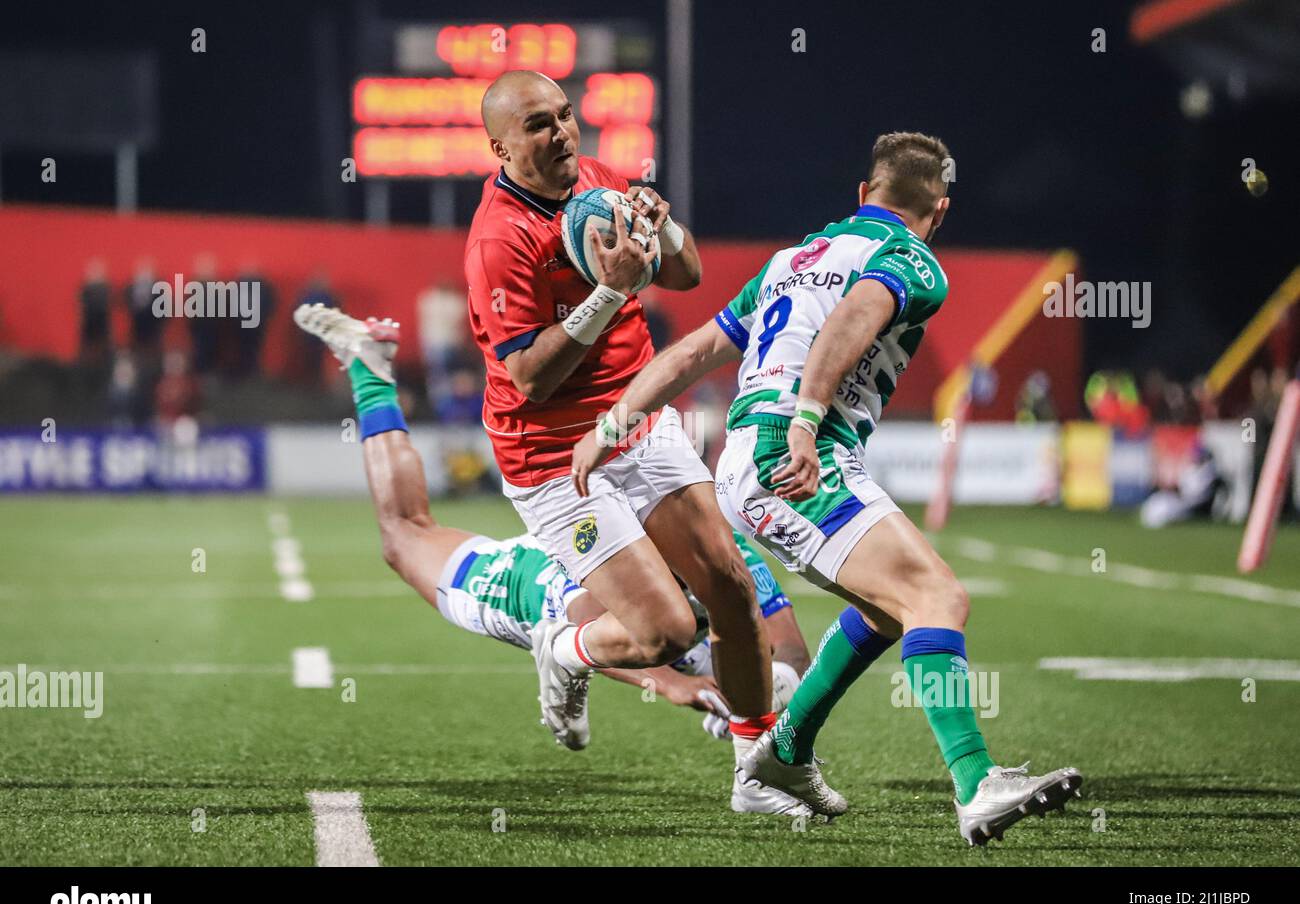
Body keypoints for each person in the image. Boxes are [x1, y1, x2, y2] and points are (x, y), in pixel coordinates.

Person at [572, 132, 1082, 845]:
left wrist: (612, 424)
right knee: (936, 598)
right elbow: (851, 320)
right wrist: (808, 422)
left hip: (752, 455)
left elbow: (695, 351)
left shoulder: (791, 260)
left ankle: (782, 755)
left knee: (885, 612)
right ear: (940, 209)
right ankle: (976, 784)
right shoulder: (910, 257)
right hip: (793, 451)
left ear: (863, 194)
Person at [292, 306, 813, 816]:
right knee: (403, 535)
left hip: (584, 554)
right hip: (533, 589)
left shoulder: (724, 553)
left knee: (410, 535)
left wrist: (773, 692)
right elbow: (581, 621)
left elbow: (790, 647)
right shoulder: (622, 562)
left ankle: (369, 366)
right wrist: (672, 684)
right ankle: (372, 376)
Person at [462, 70, 789, 785]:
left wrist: (663, 225)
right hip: (551, 455)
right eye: (538, 125)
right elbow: (531, 379)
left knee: (732, 589)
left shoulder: (598, 182)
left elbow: (687, 274)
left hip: (637, 421)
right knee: (665, 632)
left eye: (564, 114)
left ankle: (758, 770)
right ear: (501, 149)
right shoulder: (498, 240)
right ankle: (566, 649)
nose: (561, 133)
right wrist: (610, 291)